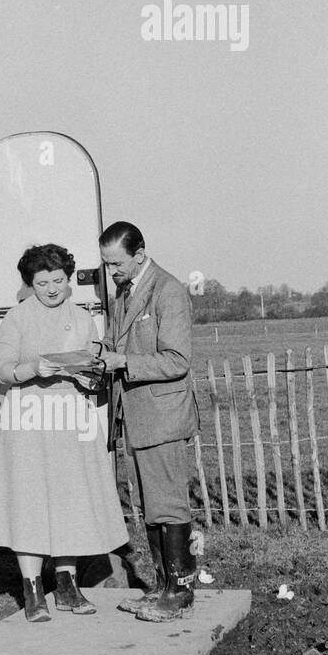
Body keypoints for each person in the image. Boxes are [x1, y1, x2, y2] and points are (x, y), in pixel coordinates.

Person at [0, 243, 129, 622]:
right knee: (29, 502)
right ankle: (32, 592)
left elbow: (96, 369)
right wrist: (33, 368)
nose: (51, 289)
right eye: (42, 282)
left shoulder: (82, 319)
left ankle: (67, 585)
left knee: (71, 500)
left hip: (70, 415)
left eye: (58, 281)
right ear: (30, 283)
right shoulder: (16, 317)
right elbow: (2, 369)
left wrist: (89, 372)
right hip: (29, 417)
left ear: (68, 280)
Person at [97, 221, 200, 622]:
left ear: (140, 255)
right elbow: (116, 342)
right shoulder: (126, 292)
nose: (111, 272)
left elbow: (177, 360)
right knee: (149, 505)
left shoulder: (169, 291)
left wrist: (124, 362)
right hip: (137, 417)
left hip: (163, 418)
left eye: (116, 264)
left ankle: (180, 592)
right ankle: (161, 587)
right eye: (107, 265)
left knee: (169, 506)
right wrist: (101, 354)